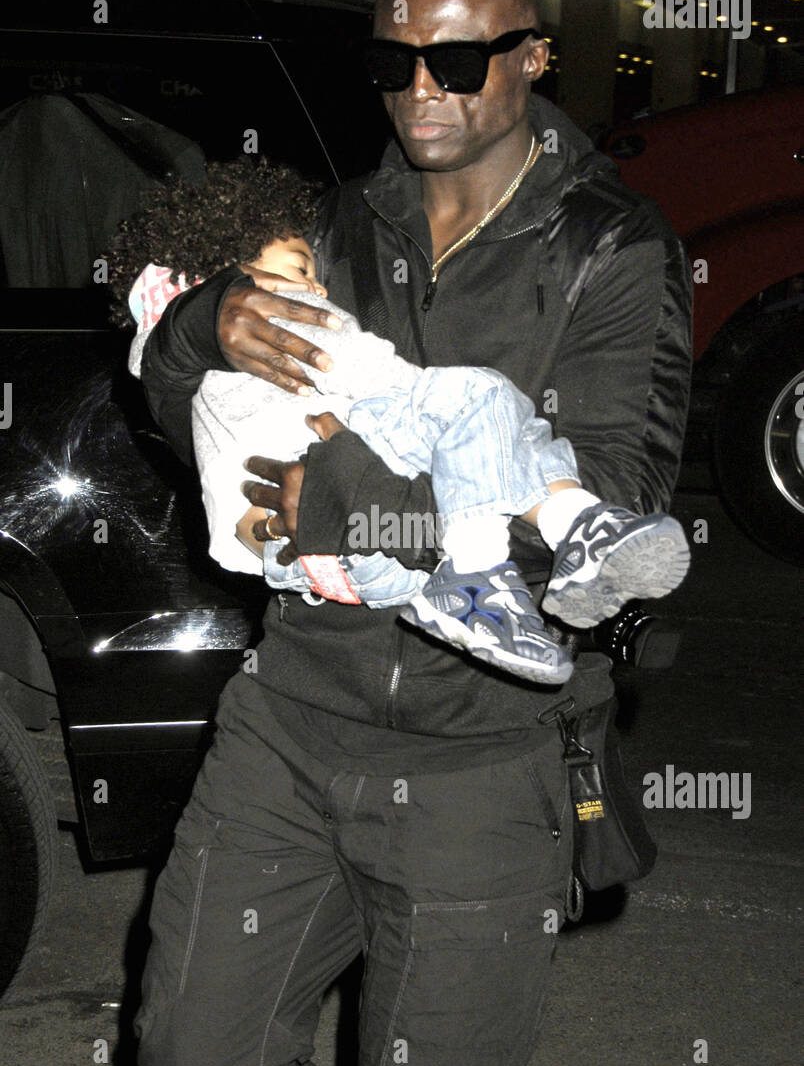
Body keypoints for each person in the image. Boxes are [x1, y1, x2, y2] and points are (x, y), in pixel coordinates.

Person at [131, 0, 693, 1066]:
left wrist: (336, 493)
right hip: (292, 719)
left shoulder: (614, 247)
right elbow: (190, 413)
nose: (422, 85)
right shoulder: (332, 224)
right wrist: (198, 325)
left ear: (534, 56)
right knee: (193, 1058)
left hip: (482, 759)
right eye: (397, 58)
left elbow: (604, 512)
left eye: (458, 56)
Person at [112, 158, 688, 687]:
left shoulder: (610, 238)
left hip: (362, 576)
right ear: (233, 275)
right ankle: (538, 539)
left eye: (314, 271)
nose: (315, 287)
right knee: (483, 399)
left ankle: (555, 541)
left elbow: (624, 472)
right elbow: (374, 377)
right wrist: (199, 319)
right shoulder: (289, 300)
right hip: (316, 619)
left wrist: (371, 510)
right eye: (299, 267)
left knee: (493, 426)